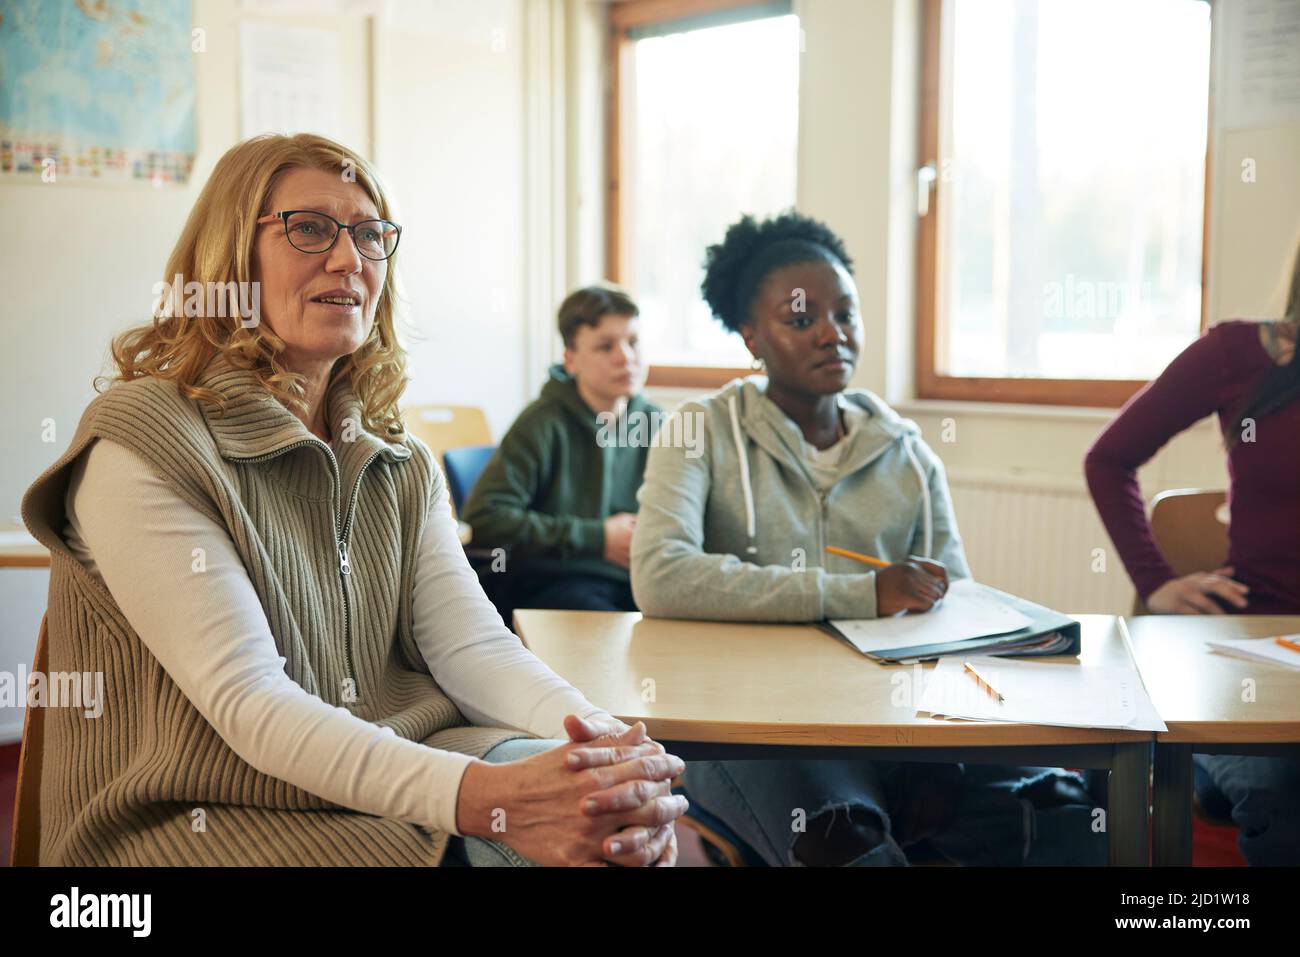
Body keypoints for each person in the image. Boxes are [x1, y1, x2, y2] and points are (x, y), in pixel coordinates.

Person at [22, 133, 686, 867]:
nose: (349, 259)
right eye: (309, 229)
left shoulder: (397, 455)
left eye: (370, 235)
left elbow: (472, 646)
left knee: (606, 812)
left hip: (396, 754)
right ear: (228, 257)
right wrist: (494, 798)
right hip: (195, 812)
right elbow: (252, 705)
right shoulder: (144, 437)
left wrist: (607, 742)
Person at [630, 210, 1104, 866]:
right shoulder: (699, 432)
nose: (832, 333)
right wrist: (860, 591)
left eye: (845, 314)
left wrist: (940, 756)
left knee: (1065, 814)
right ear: (751, 338)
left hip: (899, 721)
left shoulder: (907, 453)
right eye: (802, 319)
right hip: (760, 728)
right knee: (848, 842)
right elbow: (660, 573)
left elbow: (956, 607)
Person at [1085, 238, 1300, 865]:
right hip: (1244, 658)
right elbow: (1109, 458)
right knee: (1280, 795)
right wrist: (1156, 583)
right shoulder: (1239, 354)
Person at [463, 284, 658, 613]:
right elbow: (485, 519)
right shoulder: (541, 422)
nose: (625, 357)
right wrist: (597, 538)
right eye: (605, 346)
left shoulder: (656, 421)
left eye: (633, 342)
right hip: (553, 580)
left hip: (634, 579)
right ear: (570, 360)